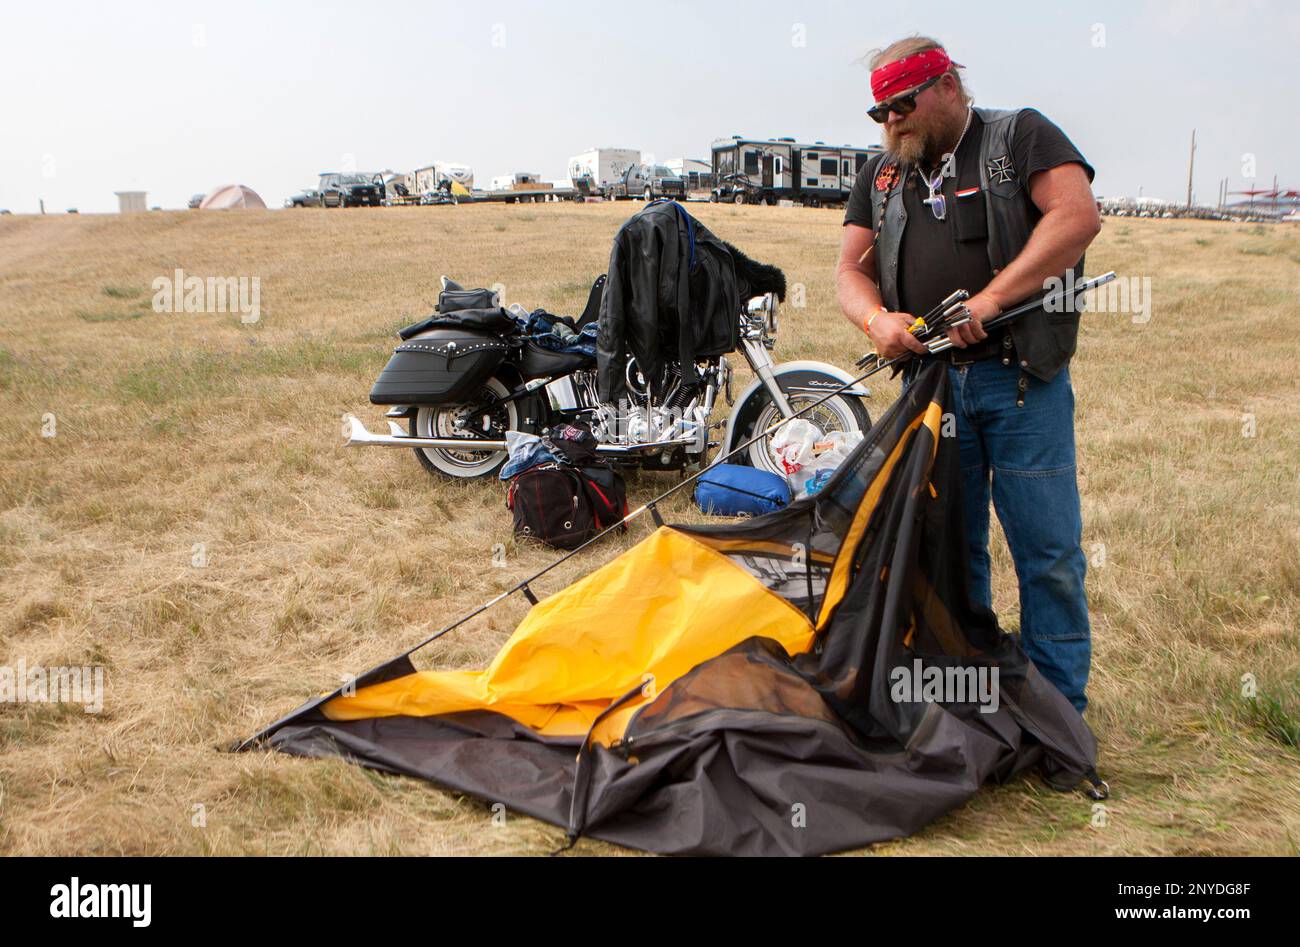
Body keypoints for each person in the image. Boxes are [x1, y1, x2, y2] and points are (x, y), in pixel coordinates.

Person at [836, 36, 1102, 712]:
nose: (892, 121)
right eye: (880, 113)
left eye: (902, 105)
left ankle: (1058, 713)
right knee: (951, 550)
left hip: (1020, 383)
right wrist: (877, 321)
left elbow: (1076, 217)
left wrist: (992, 300)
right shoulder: (882, 175)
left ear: (948, 86)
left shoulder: (1020, 137)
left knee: (1048, 554)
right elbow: (848, 273)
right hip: (932, 391)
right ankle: (972, 699)